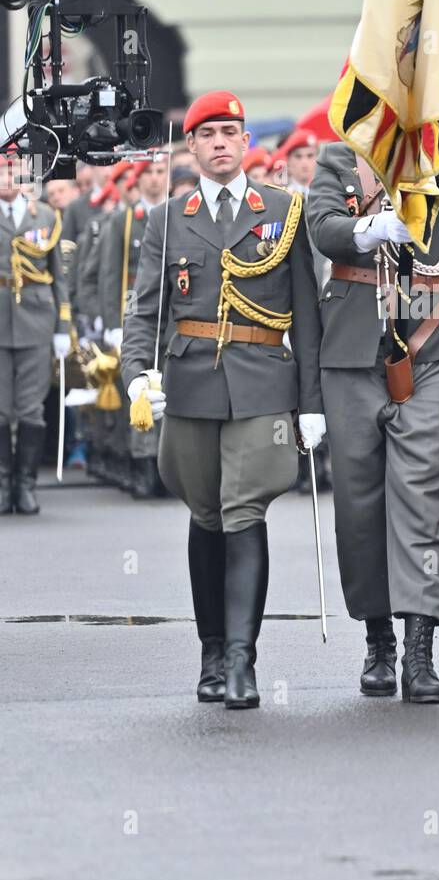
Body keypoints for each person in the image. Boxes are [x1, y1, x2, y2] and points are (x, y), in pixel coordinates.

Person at [121, 91, 325, 709]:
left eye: (228, 132)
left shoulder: (285, 211)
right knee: (205, 513)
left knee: (244, 511)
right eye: (205, 133)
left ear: (245, 144)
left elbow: (309, 317)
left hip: (263, 380)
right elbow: (145, 310)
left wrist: (311, 402)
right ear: (191, 146)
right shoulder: (167, 217)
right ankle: (211, 654)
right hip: (190, 383)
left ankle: (242, 660)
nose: (217, 142)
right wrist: (137, 373)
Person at [306, 142, 439, 703]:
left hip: (431, 344)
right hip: (355, 347)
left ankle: (420, 647)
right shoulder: (338, 158)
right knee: (359, 500)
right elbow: (324, 227)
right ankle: (378, 637)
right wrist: (372, 228)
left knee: (422, 497)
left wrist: (429, 139)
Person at [0, 153, 72, 514]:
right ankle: (2, 484)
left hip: (36, 320)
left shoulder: (44, 215)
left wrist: (63, 326)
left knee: (30, 409)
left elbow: (59, 277)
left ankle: (25, 484)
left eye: (12, 169)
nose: (6, 177)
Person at [100, 155, 171, 498]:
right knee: (141, 383)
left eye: (160, 172)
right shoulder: (125, 221)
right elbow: (110, 274)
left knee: (170, 387)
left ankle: (169, 466)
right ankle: (144, 464)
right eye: (148, 173)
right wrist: (114, 324)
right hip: (138, 312)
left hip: (172, 315)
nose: (155, 180)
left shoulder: (179, 218)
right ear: (137, 180)